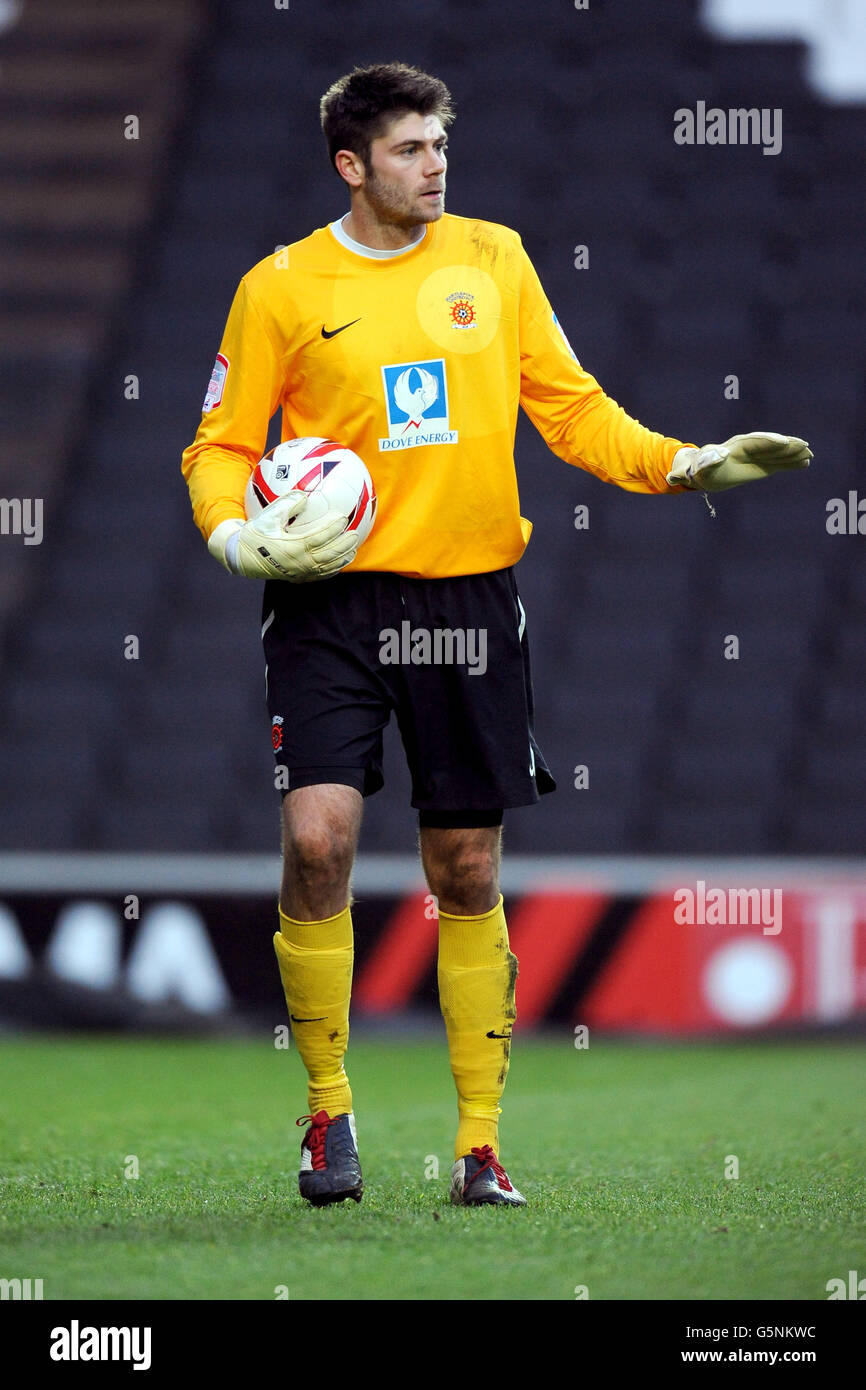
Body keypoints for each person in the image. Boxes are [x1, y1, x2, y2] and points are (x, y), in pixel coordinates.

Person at [181, 61, 811, 1209]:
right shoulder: (278, 286)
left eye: (440, 146)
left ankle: (479, 1148)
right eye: (412, 149)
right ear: (351, 165)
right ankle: (328, 1117)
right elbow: (219, 443)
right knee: (318, 840)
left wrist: (685, 464)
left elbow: (568, 408)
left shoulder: (494, 257)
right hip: (329, 604)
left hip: (468, 600)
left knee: (462, 867)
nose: (435, 166)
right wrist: (231, 536)